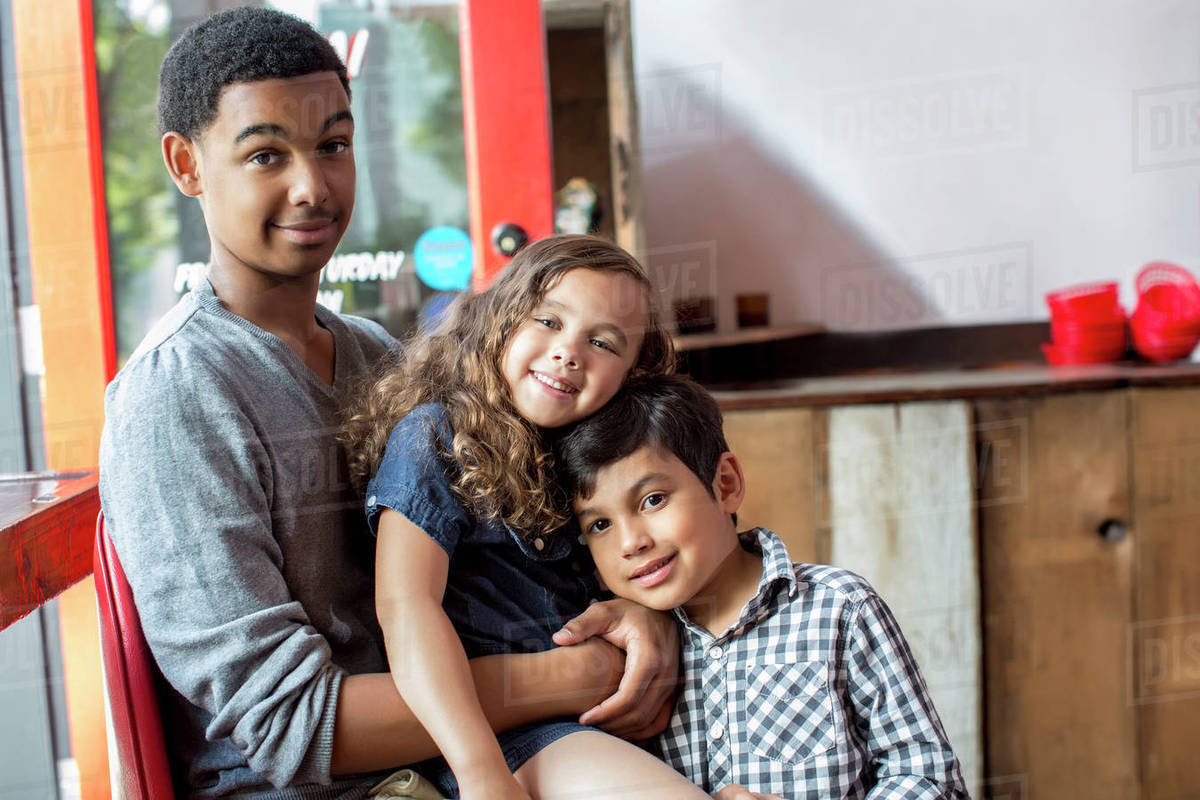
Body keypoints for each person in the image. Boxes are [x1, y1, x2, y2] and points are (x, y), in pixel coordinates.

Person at [98, 9, 678, 798]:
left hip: (465, 754)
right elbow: (293, 727)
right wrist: (575, 675)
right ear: (186, 163)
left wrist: (636, 619)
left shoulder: (376, 354)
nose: (312, 186)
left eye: (334, 146)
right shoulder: (175, 393)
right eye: (266, 154)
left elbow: (510, 551)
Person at [343, 234, 715, 800]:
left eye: (603, 343)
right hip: (509, 738)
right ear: (500, 321)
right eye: (548, 320)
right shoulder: (437, 436)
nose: (569, 352)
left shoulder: (596, 456)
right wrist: (480, 772)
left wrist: (639, 613)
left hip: (616, 715)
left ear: (632, 374)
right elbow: (405, 607)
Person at [555, 374, 972, 800]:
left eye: (653, 499)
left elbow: (930, 778)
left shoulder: (840, 608)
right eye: (600, 524)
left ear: (726, 485)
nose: (631, 542)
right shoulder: (620, 655)